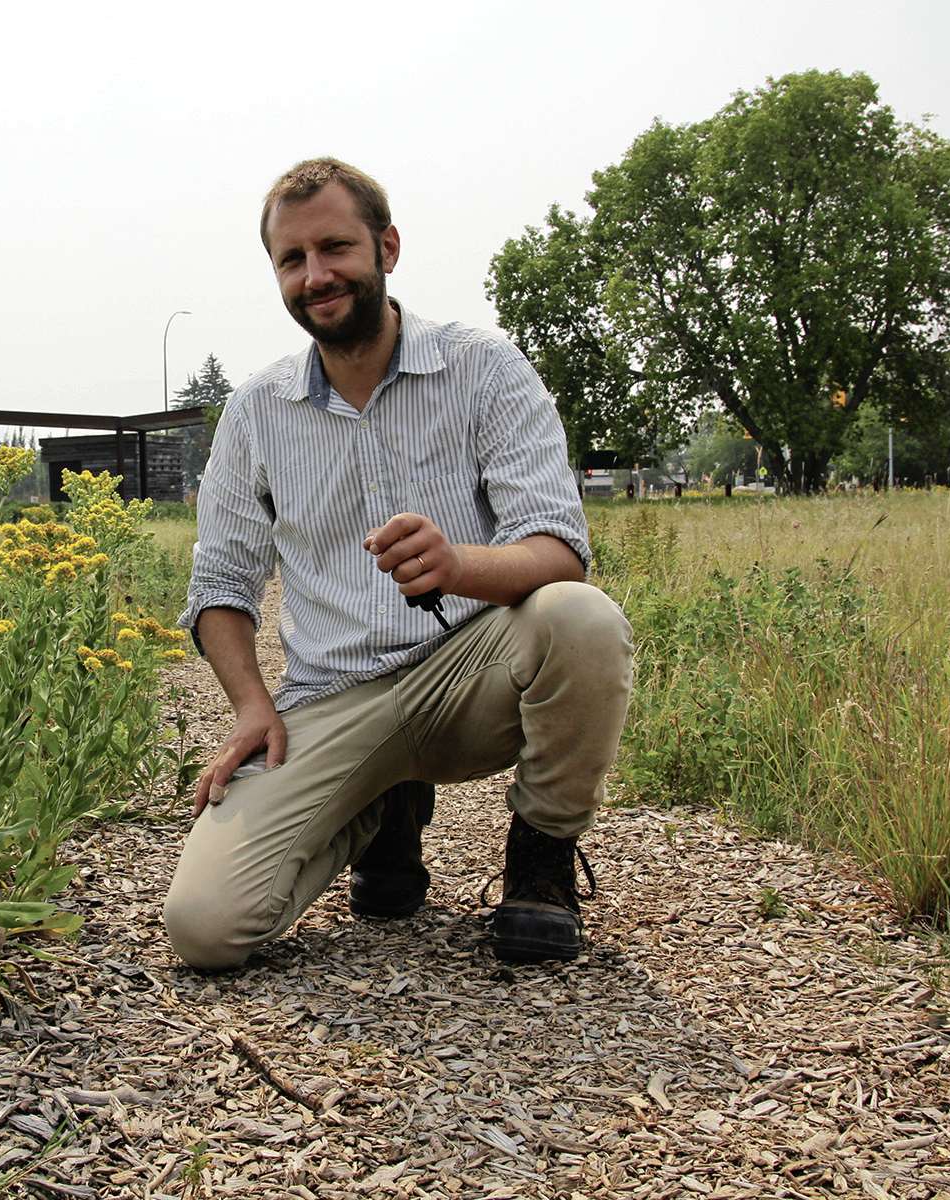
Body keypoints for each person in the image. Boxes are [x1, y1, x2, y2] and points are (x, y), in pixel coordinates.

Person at [163, 158, 634, 971]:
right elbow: (221, 584)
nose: (316, 275)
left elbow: (560, 550)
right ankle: (383, 809)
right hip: (335, 699)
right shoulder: (256, 410)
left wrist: (458, 566)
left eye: (336, 247)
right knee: (205, 929)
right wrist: (249, 706)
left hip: (471, 677)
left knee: (581, 620)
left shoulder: (483, 367)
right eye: (292, 259)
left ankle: (541, 859)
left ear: (388, 247)